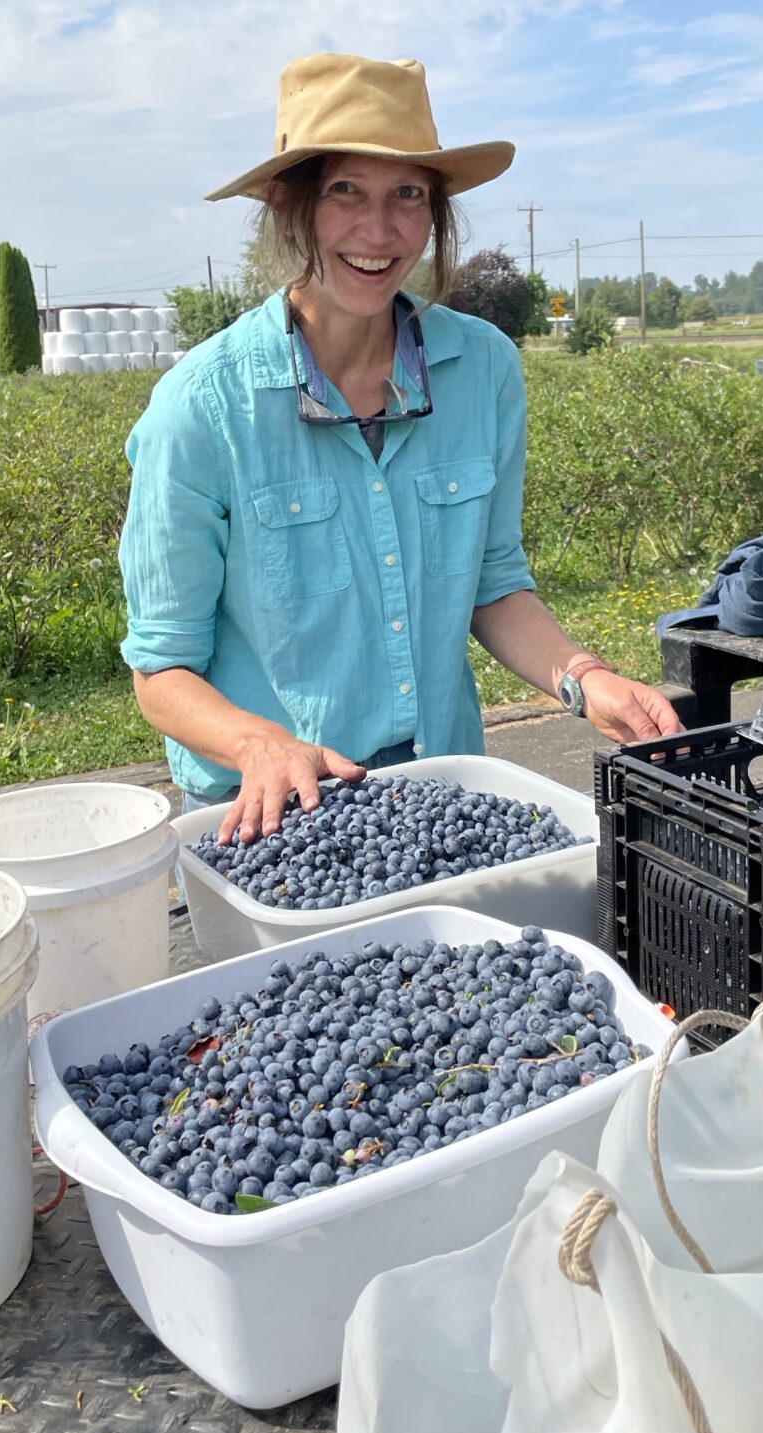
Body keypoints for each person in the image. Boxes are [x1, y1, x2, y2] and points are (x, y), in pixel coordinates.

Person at [118, 52, 681, 844]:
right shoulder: (202, 409)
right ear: (291, 204)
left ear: (436, 210)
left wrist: (585, 679)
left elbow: (492, 582)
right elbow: (160, 670)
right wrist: (260, 743)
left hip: (439, 793)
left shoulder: (482, 370)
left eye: (408, 195)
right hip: (273, 817)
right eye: (346, 191)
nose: (379, 232)